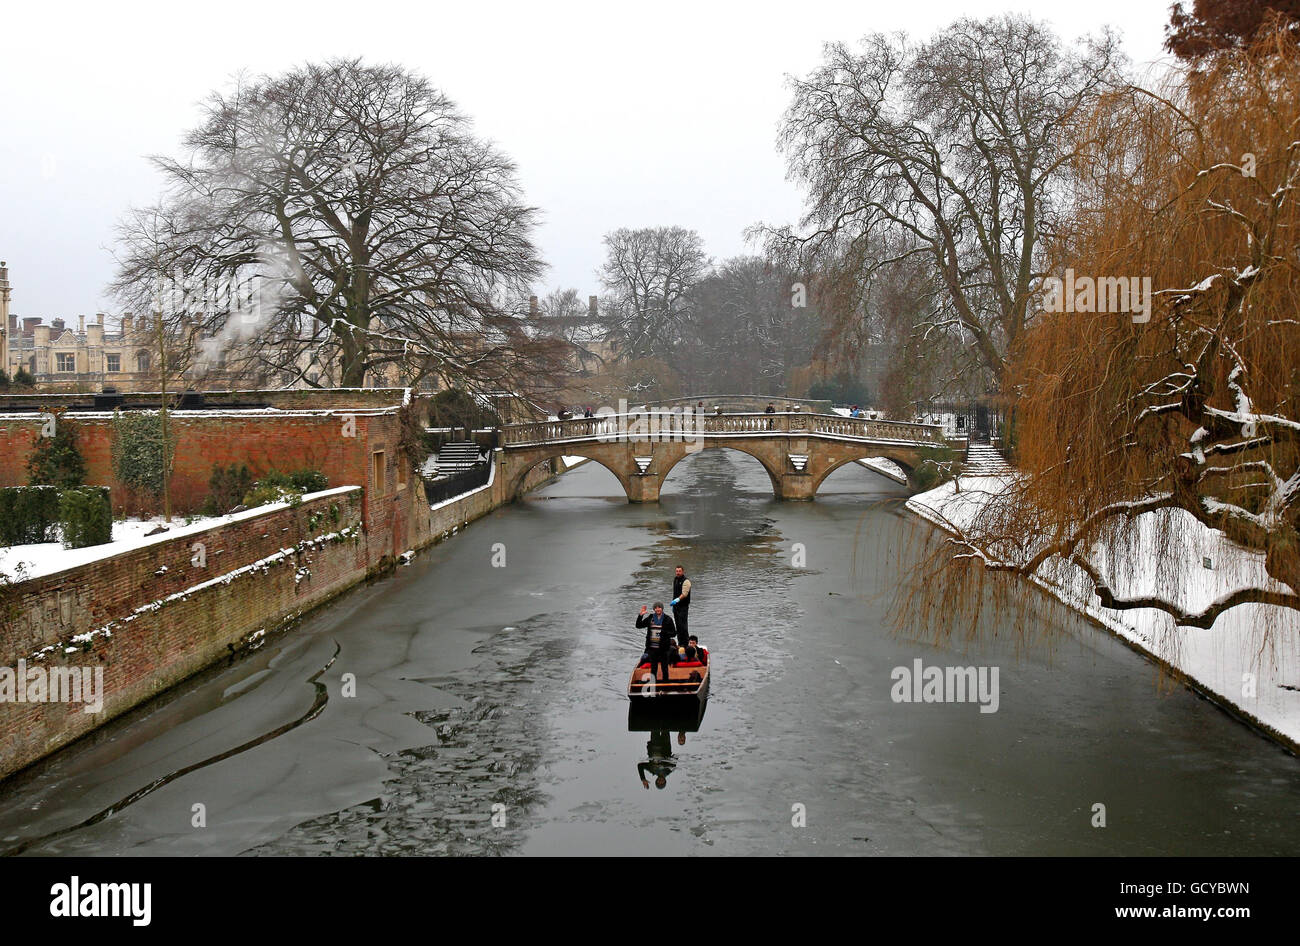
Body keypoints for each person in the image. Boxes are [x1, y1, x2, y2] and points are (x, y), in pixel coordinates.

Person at [636, 602, 677, 684]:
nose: (658, 609)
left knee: (664, 667)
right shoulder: (650, 618)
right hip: (652, 648)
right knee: (653, 668)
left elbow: (674, 633)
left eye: (659, 607)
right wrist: (640, 615)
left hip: (663, 648)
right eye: (656, 608)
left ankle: (666, 684)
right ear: (654, 609)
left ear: (662, 609)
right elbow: (638, 625)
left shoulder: (668, 619)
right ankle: (652, 684)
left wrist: (664, 632)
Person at [670, 565, 692, 646]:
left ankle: (686, 645)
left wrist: (677, 600)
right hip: (676, 607)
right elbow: (675, 593)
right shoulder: (675, 579)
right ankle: (680, 644)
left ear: (683, 571)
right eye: (677, 571)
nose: (678, 573)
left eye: (679, 571)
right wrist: (673, 604)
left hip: (683, 607)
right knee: (678, 627)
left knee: (683, 627)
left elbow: (685, 594)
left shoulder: (686, 581)